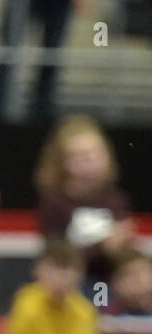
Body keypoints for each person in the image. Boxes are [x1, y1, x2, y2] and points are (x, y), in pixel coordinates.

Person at [34, 115, 136, 288]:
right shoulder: (54, 201)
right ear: (61, 162)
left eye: (92, 155)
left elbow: (120, 253)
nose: (87, 163)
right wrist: (101, 246)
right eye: (77, 157)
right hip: (65, 286)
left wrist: (123, 243)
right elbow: (54, 251)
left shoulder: (115, 198)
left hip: (103, 283)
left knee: (102, 306)